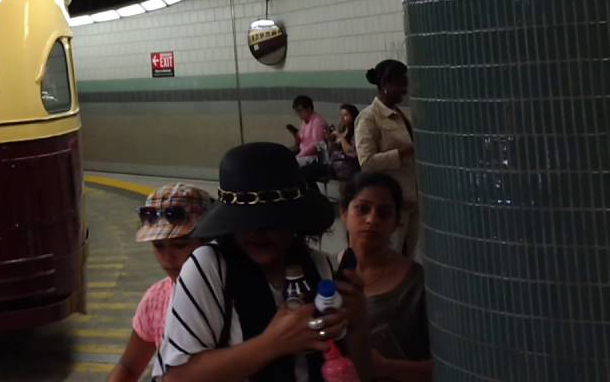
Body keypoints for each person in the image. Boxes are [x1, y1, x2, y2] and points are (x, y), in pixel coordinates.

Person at [156, 142, 374, 382]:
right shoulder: (209, 269)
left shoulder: (323, 269)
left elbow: (359, 372)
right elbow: (176, 377)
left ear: (294, 218)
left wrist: (357, 325)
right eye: (245, 221)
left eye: (270, 220)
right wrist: (272, 344)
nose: (257, 232)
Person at [108, 184, 214, 382]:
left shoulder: (230, 295)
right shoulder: (156, 300)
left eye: (180, 245)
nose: (168, 258)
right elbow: (129, 366)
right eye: (158, 246)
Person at [339, 173, 431, 381]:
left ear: (397, 222)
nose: (372, 220)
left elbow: (450, 364)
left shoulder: (416, 285)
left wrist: (385, 367)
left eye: (384, 213)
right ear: (344, 213)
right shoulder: (325, 271)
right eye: (362, 209)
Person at [355, 60, 418, 258]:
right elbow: (366, 162)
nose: (404, 89)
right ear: (385, 85)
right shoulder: (369, 118)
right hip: (391, 203)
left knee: (407, 258)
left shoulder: (400, 114)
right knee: (390, 260)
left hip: (412, 201)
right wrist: (402, 153)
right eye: (400, 84)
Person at [289, 96, 329, 164]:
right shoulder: (305, 122)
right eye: (297, 111)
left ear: (309, 109)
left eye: (300, 111)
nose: (298, 114)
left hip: (313, 157)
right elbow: (301, 141)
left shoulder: (317, 122)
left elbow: (316, 144)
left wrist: (300, 155)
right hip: (303, 154)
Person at [330, 104, 361, 180]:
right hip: (334, 162)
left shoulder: (356, 132)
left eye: (345, 115)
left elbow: (350, 151)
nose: (342, 118)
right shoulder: (342, 130)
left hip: (348, 165)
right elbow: (332, 149)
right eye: (341, 115)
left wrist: (341, 137)